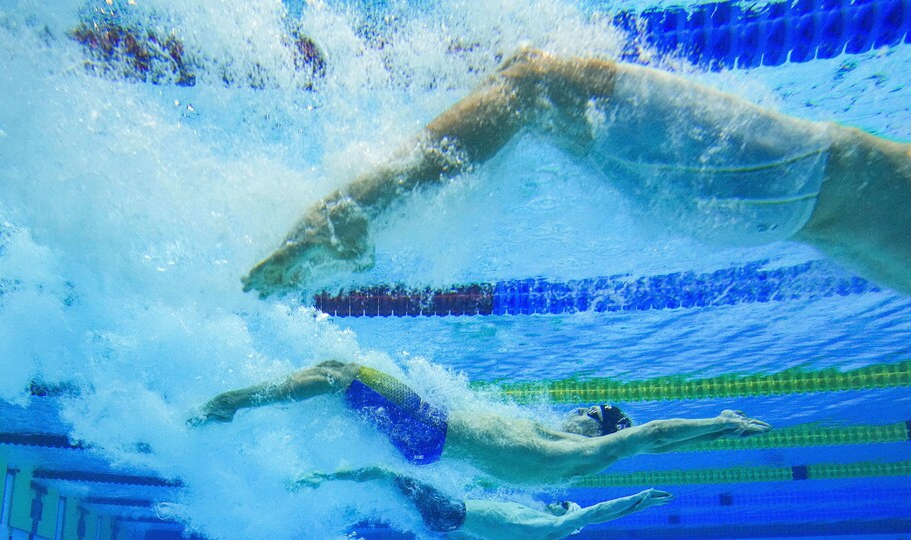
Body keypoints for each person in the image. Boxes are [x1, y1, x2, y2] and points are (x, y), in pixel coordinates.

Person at [241, 48, 911, 298]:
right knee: (534, 103)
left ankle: (341, 218)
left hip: (788, 178)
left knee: (535, 84)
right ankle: (358, 224)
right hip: (765, 208)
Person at [190, 360, 770, 485]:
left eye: (591, 414)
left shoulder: (575, 457)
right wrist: (715, 432)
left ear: (604, 432)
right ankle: (239, 413)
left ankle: (231, 403)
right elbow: (653, 448)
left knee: (340, 372)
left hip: (428, 430)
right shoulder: (559, 446)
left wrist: (717, 420)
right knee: (335, 378)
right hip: (429, 439)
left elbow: (651, 437)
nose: (577, 412)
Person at [291, 465, 673, 539]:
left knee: (385, 471)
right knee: (389, 484)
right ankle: (331, 495)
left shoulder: (544, 528)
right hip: (447, 520)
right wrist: (572, 512)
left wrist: (634, 501)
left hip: (448, 513)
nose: (557, 505)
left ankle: (319, 478)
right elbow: (577, 516)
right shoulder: (548, 531)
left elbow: (591, 514)